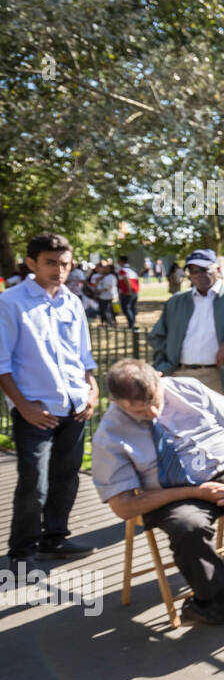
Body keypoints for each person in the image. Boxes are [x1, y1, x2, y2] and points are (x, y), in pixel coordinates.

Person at [91, 360, 224, 632]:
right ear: (116, 401)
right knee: (187, 528)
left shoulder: (187, 388)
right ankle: (218, 599)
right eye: (139, 410)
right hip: (173, 495)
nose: (153, 412)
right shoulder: (108, 435)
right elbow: (123, 507)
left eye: (155, 401)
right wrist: (193, 492)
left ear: (158, 378)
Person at [0, 234, 99, 568]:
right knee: (34, 484)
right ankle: (22, 552)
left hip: (75, 406)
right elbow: (2, 364)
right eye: (51, 262)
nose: (60, 270)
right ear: (32, 263)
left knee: (66, 477)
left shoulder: (72, 300)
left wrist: (92, 390)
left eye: (65, 263)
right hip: (36, 412)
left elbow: (83, 356)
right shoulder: (11, 302)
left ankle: (54, 539)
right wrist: (24, 406)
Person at [148, 249, 224, 397]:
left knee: (219, 421)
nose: (198, 275)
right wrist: (167, 361)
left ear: (217, 270)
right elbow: (157, 336)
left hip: (218, 377)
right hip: (179, 375)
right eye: (192, 271)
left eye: (203, 269)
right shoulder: (177, 301)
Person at [115, 255, 140, 328]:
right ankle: (133, 323)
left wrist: (129, 290)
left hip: (127, 292)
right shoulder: (132, 269)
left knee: (126, 308)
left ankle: (131, 324)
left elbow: (126, 279)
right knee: (132, 308)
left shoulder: (122, 270)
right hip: (134, 292)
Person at [92, 260, 118, 325]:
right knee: (104, 311)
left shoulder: (111, 277)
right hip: (103, 297)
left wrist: (99, 291)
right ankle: (106, 322)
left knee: (108, 311)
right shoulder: (103, 276)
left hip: (109, 297)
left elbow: (108, 287)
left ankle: (110, 323)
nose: (105, 269)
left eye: (106, 268)